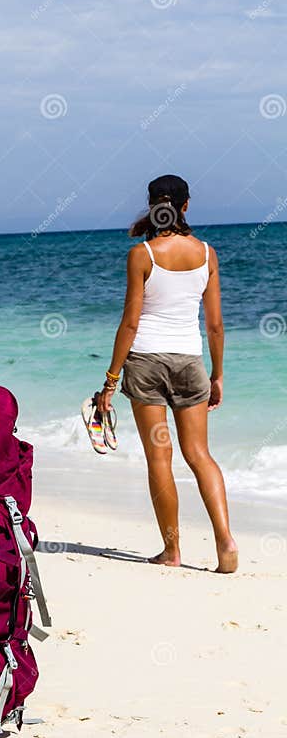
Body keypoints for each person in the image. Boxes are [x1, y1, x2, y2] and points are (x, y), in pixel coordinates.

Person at [97, 175, 238, 573]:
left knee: (160, 456)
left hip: (145, 364)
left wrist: (109, 381)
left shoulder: (142, 254)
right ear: (186, 205)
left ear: (152, 204)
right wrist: (218, 374)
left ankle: (172, 552)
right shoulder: (207, 254)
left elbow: (130, 323)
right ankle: (225, 541)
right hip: (190, 363)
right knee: (200, 455)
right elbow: (215, 325)